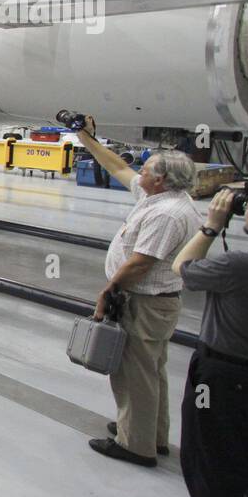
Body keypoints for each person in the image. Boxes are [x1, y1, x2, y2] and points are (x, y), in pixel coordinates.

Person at [77, 117, 201, 467]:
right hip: (151, 302)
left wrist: (108, 291)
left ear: (160, 179)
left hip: (144, 302)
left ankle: (136, 445)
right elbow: (116, 166)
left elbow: (140, 264)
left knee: (134, 373)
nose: (138, 171)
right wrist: (86, 138)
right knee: (150, 370)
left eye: (144, 168)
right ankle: (150, 432)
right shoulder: (159, 196)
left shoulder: (167, 213)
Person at [171, 187, 248, 497]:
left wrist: (210, 227)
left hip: (222, 379)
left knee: (212, 460)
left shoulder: (239, 267)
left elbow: (182, 269)